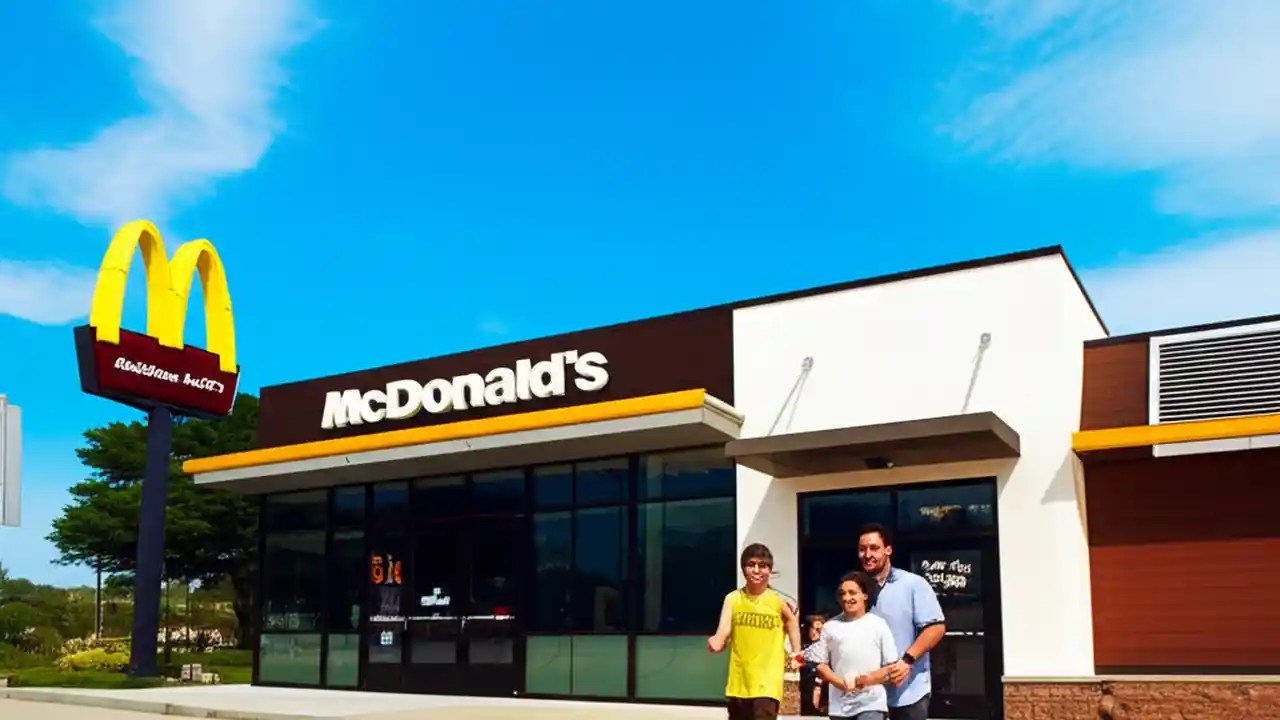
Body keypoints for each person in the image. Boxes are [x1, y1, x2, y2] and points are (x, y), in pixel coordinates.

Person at [857, 523, 946, 720]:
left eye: (874, 548)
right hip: (867, 696)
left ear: (888, 550)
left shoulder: (913, 584)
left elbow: (936, 627)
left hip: (908, 691)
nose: (867, 554)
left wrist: (907, 661)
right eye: (862, 549)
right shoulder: (855, 590)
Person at [708, 542, 805, 720]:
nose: (757, 570)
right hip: (738, 682)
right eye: (751, 565)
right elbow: (723, 631)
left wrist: (796, 653)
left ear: (770, 570)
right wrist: (717, 641)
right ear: (744, 569)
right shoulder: (733, 599)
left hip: (767, 684)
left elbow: (792, 623)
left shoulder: (777, 601)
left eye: (763, 566)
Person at [808, 571, 899, 720]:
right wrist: (839, 683)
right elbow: (820, 664)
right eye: (843, 594)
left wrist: (867, 680)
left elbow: (891, 666)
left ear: (865, 595)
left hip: (871, 704)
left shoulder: (878, 625)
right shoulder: (830, 626)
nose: (847, 598)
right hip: (840, 708)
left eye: (852, 593)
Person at [800, 614, 828, 715]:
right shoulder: (803, 646)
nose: (818, 632)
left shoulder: (825, 644)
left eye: (820, 629)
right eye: (815, 628)